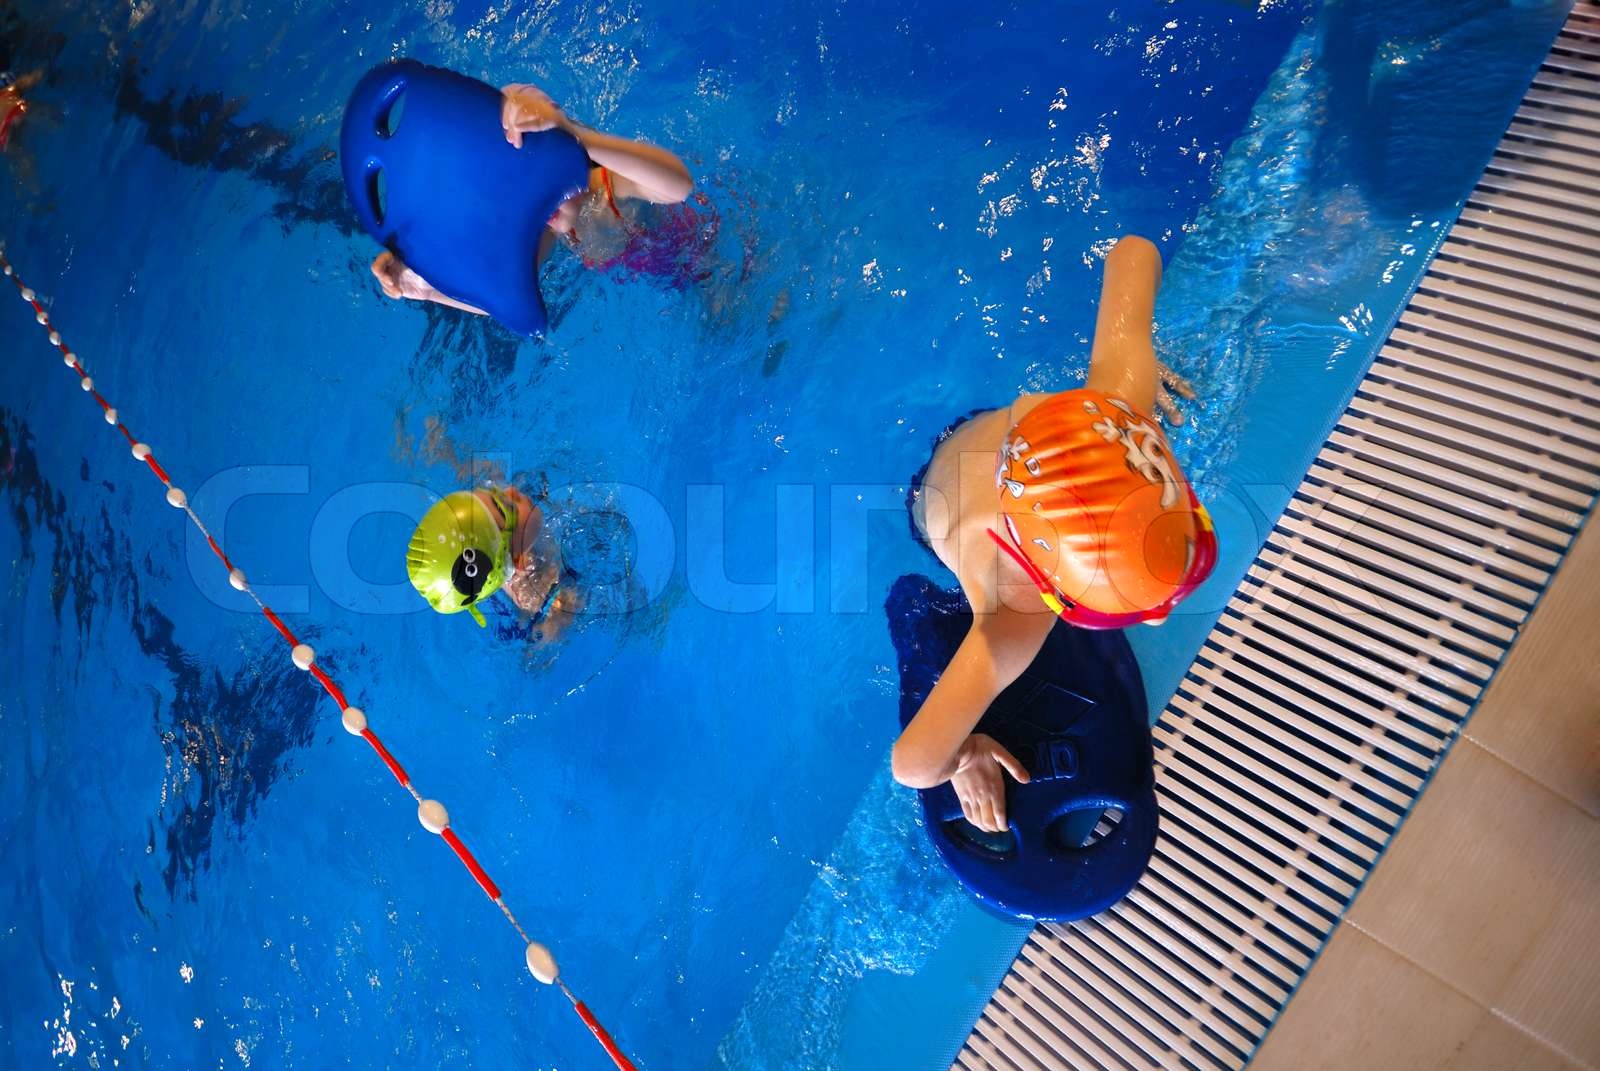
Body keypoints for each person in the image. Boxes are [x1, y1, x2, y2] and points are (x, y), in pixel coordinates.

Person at [891, 235, 1216, 834]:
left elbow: (1134, 251)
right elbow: (913, 764)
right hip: (927, 510)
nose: (1158, 621)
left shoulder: (1117, 404)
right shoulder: (1012, 613)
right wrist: (965, 753)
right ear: (1050, 588)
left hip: (1009, 446)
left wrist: (1131, 395)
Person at [372, 83, 694, 312]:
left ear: (567, 160)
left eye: (543, 184)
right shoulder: (547, 227)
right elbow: (503, 293)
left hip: (689, 248)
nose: (537, 203)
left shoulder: (607, 185)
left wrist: (577, 137)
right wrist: (427, 289)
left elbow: (679, 185)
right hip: (641, 273)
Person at [406, 484, 578, 641]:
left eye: (493, 492)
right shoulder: (548, 599)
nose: (511, 490)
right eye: (508, 508)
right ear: (518, 560)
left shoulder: (502, 551)